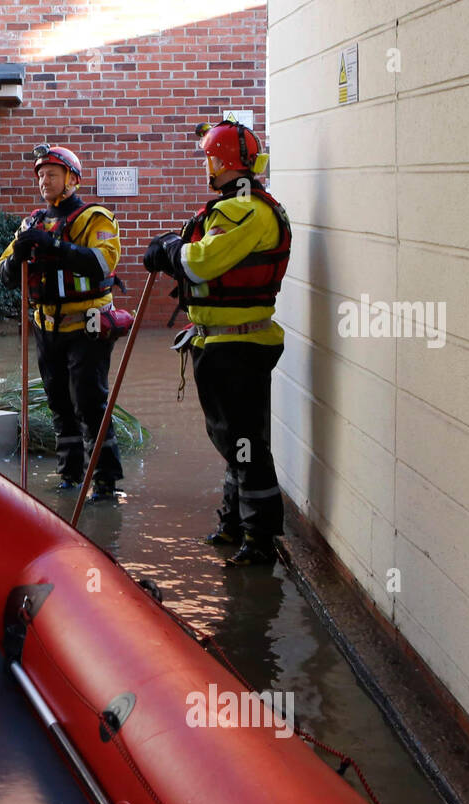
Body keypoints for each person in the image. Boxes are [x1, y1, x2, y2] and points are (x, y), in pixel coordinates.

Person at [143, 118, 292, 566]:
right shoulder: (241, 205)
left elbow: (202, 262)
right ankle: (234, 523)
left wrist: (169, 249)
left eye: (209, 157)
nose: (205, 165)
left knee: (244, 441)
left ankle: (260, 539)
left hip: (237, 346)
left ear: (221, 161)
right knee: (233, 440)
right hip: (225, 342)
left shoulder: (242, 208)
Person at [0, 144, 124, 501]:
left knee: (88, 401)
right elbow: (5, 274)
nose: (43, 180)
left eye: (51, 174)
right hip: (47, 327)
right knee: (58, 403)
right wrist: (19, 253)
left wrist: (52, 245)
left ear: (72, 179)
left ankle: (105, 480)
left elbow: (102, 263)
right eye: (40, 174)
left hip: (87, 325)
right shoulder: (31, 223)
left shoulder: (95, 218)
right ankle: (70, 473)